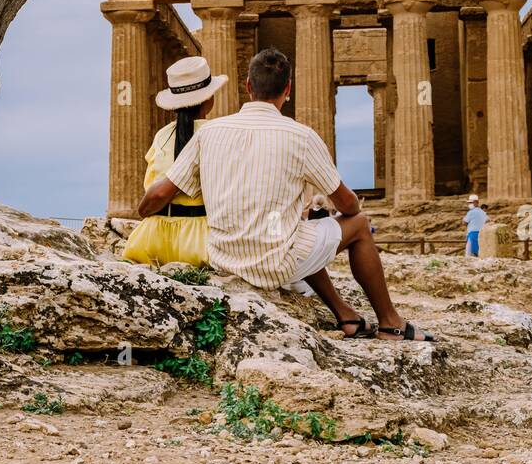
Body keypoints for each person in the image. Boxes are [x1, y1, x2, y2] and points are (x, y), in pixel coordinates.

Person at [137, 46, 433, 342]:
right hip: (276, 263)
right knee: (357, 226)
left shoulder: (209, 133)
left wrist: (143, 214)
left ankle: (347, 316)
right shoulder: (301, 136)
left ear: (248, 86)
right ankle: (390, 322)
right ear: (288, 89)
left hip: (222, 257)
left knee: (297, 231)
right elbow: (347, 205)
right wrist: (348, 207)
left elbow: (159, 193)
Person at [121, 55, 226, 269]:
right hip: (198, 239)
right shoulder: (218, 134)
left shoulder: (162, 135)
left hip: (150, 238)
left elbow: (153, 186)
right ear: (209, 98)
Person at [463, 193, 488, 259]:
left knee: (469, 255)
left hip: (472, 234)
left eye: (471, 202)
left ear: (477, 202)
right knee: (480, 254)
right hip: (482, 234)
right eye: (469, 202)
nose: (469, 204)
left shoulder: (471, 212)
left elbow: (464, 222)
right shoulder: (483, 212)